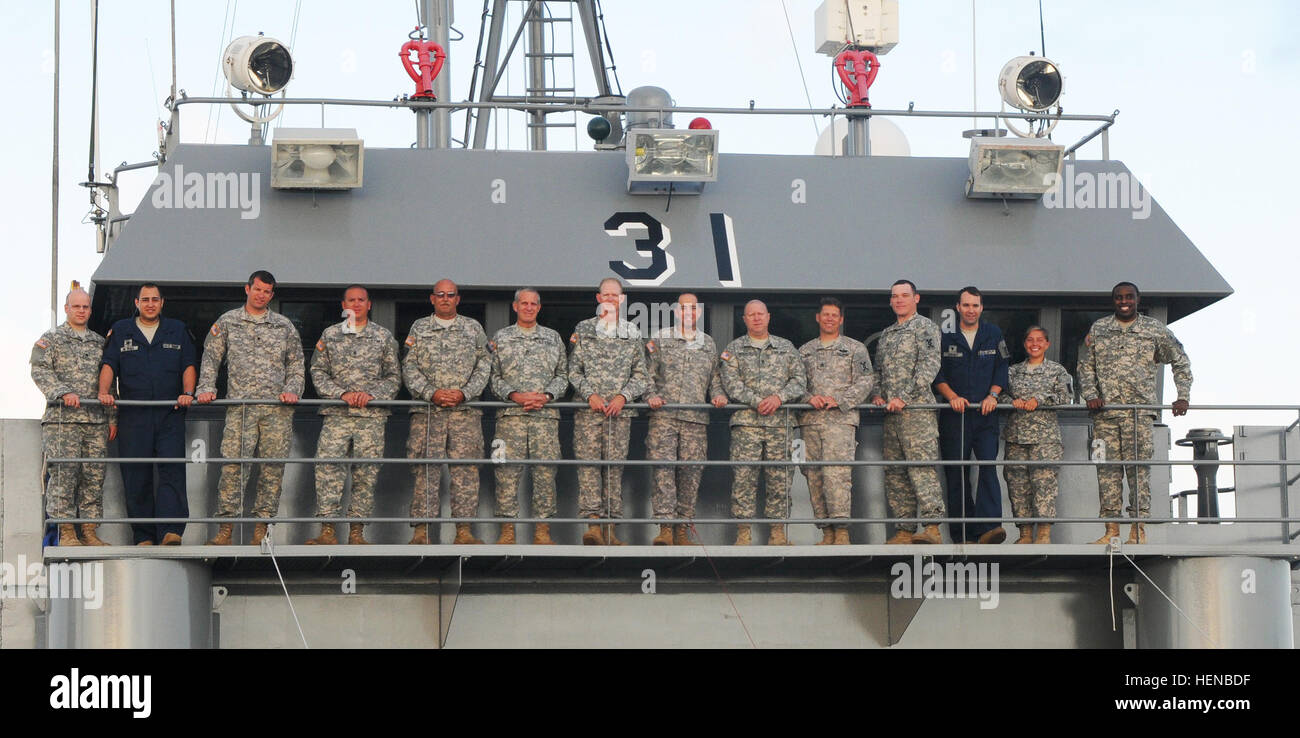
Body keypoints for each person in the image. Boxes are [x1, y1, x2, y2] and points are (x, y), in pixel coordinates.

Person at [1078, 281, 1192, 545]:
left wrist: (1182, 396)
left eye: (1129, 297)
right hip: (1105, 416)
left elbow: (1180, 360)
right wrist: (1091, 394)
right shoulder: (1100, 328)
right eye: (1119, 297)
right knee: (1106, 472)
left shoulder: (1154, 329)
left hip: (1139, 415)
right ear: (1113, 300)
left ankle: (1138, 530)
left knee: (1138, 472)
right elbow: (1085, 365)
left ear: (1138, 300)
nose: (1124, 301)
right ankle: (1111, 530)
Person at [196, 270, 304, 546]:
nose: (262, 295)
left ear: (272, 294)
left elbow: (296, 365)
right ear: (247, 289)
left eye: (267, 292)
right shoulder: (228, 321)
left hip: (276, 411)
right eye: (257, 289)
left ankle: (262, 530)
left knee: (272, 470)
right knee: (233, 469)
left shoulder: (284, 326)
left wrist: (293, 390)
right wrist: (206, 387)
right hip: (241, 409)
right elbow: (211, 357)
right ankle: (225, 530)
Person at [97, 283, 197, 546]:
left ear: (162, 302)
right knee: (136, 474)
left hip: (170, 413)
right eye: (145, 299)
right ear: (136, 302)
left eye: (155, 299)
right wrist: (104, 392)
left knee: (172, 471)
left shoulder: (177, 329)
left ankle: (170, 531)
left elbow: (188, 364)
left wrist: (188, 393)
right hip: (133, 415)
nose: (150, 303)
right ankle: (143, 536)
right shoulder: (121, 330)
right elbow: (109, 364)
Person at [306, 285, 400, 546]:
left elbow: (394, 378)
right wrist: (342, 393)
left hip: (371, 418)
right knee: (328, 471)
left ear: (369, 305)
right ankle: (328, 531)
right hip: (337, 415)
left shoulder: (383, 337)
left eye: (361, 300)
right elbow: (317, 372)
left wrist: (370, 395)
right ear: (343, 304)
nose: (356, 304)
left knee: (366, 475)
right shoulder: (331, 335)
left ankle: (357, 532)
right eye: (351, 300)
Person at [403, 279, 491, 545]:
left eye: (450, 295)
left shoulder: (473, 327)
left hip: (464, 414)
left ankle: (464, 531)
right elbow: (408, 366)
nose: (445, 299)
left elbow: (484, 364)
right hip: (428, 412)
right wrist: (432, 392)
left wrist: (465, 393)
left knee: (466, 472)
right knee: (425, 470)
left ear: (457, 299)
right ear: (432, 299)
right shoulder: (419, 327)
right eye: (439, 295)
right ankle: (422, 531)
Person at [31, 286, 116, 546]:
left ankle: (89, 531)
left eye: (86, 307)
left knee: (93, 477)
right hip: (63, 421)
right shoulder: (51, 339)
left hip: (95, 422)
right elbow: (39, 371)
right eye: (76, 306)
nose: (82, 311)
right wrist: (62, 391)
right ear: (67, 309)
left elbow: (109, 383)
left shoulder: (100, 343)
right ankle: (66, 531)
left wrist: (112, 416)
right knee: (64, 476)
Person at [568, 277, 649, 546]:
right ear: (599, 298)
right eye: (607, 295)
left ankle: (611, 530)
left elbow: (641, 375)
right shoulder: (583, 329)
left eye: (616, 295)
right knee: (589, 468)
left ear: (622, 299)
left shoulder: (632, 332)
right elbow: (573, 370)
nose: (611, 299)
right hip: (588, 413)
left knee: (614, 471)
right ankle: (593, 526)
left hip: (618, 414)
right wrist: (589, 394)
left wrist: (623, 396)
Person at [720, 300, 807, 546]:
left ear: (768, 317)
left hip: (781, 424)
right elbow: (730, 382)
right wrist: (756, 401)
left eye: (760, 314)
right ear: (744, 319)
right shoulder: (734, 349)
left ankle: (777, 533)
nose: (756, 318)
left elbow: (800, 381)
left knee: (780, 479)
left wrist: (778, 398)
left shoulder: (786, 347)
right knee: (744, 478)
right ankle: (743, 534)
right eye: (751, 315)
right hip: (746, 424)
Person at [645, 293, 728, 546]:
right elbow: (646, 373)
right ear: (676, 311)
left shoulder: (708, 343)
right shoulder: (661, 338)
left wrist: (718, 395)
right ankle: (665, 529)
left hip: (695, 420)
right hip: (664, 418)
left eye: (693, 308)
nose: (688, 312)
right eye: (684, 308)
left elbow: (714, 378)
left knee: (691, 475)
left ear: (699, 312)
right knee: (663, 473)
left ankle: (682, 529)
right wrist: (651, 395)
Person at [489, 288, 569, 545]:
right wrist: (514, 395)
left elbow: (563, 376)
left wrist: (545, 396)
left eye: (533, 304)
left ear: (539, 307)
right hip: (509, 418)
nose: (529, 307)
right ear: (515, 307)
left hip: (545, 419)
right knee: (505, 473)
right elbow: (492, 377)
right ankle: (507, 530)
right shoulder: (500, 337)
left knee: (545, 474)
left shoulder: (553, 338)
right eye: (524, 303)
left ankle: (542, 531)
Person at [933, 286, 1010, 544]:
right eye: (966, 305)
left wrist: (993, 396)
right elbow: (936, 374)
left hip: (985, 414)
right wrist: (952, 396)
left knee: (988, 466)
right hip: (955, 415)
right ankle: (963, 533)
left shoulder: (993, 333)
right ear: (958, 307)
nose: (970, 310)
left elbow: (1002, 368)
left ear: (981, 308)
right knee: (957, 473)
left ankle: (989, 528)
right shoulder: (944, 336)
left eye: (975, 305)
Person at [871, 280, 945, 544]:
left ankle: (933, 528)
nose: (899, 300)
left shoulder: (925, 327)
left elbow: (929, 366)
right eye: (895, 296)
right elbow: (878, 370)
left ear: (916, 298)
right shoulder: (888, 333)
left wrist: (904, 397)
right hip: (891, 416)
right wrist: (878, 394)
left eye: (904, 295)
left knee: (921, 468)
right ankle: (904, 529)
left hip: (917, 413)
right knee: (896, 472)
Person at [798, 297, 874, 545]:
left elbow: (865, 382)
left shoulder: (855, 348)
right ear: (818, 318)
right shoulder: (805, 351)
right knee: (814, 475)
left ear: (841, 319)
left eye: (834, 315)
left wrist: (838, 399)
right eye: (825, 314)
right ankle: (826, 531)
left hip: (840, 422)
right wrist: (809, 398)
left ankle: (841, 531)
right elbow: (796, 385)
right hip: (810, 423)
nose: (830, 318)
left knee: (837, 476)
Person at [1000, 326, 1072, 544]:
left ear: (1047, 344)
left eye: (1040, 340)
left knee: (1044, 486)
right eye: (1030, 339)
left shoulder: (1057, 371)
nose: (1035, 343)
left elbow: (1066, 396)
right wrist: (1010, 402)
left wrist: (1039, 400)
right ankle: (1024, 534)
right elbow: (998, 394)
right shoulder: (1012, 371)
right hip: (1016, 437)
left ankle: (1043, 534)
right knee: (1018, 486)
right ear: (1024, 344)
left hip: (1045, 439)